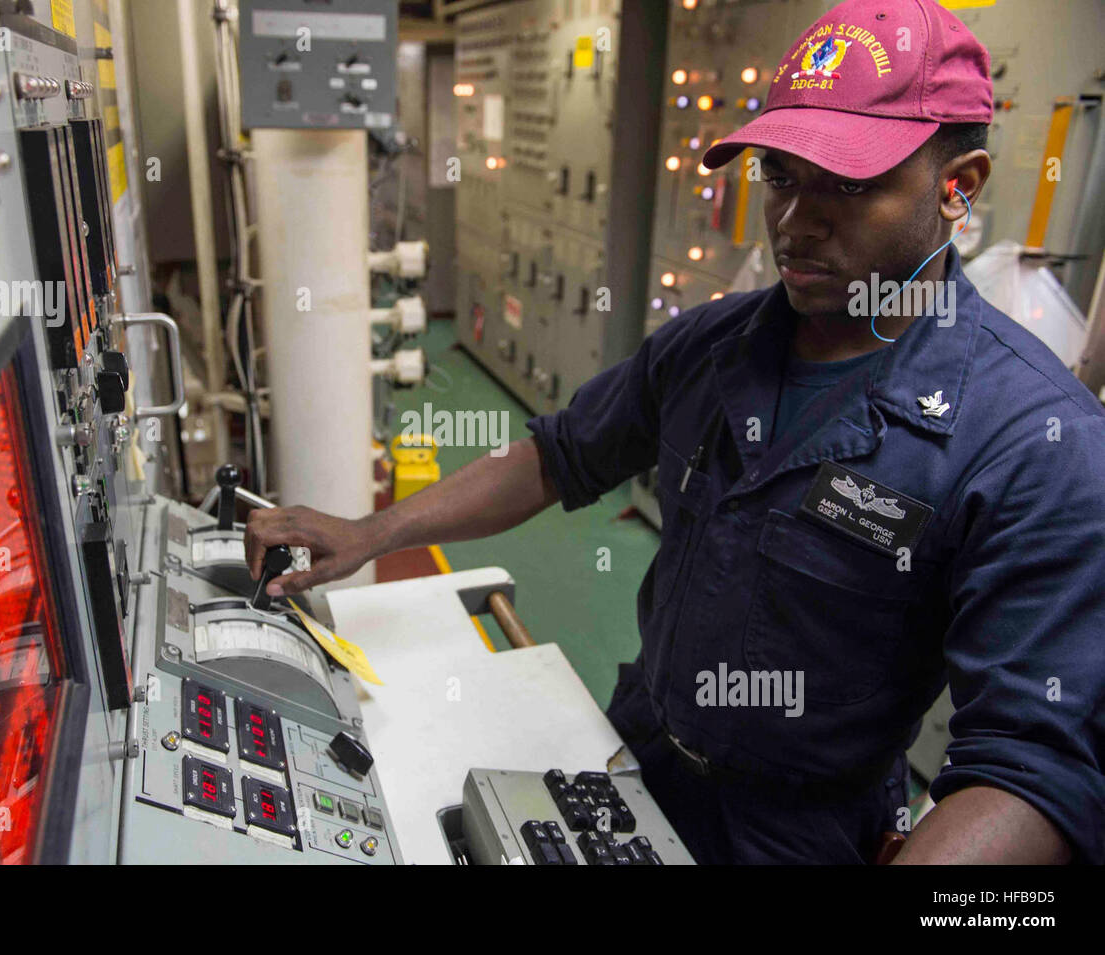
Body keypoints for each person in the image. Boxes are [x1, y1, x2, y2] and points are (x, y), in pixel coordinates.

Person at [243, 0, 1104, 863]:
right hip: (635, 756)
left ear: (960, 186)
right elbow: (558, 455)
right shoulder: (715, 343)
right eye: (781, 175)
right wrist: (372, 531)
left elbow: (1032, 771)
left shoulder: (1031, 440)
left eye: (847, 184)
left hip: (794, 834)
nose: (794, 221)